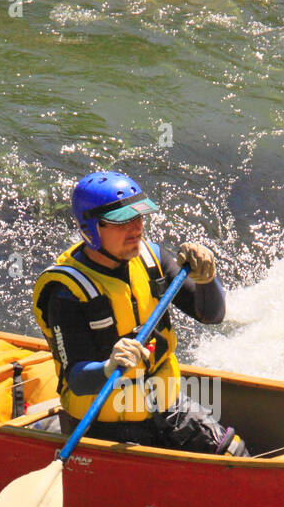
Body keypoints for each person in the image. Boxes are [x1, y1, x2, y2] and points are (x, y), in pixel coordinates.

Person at [31, 170, 248, 456]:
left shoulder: (153, 260)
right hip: (105, 424)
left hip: (168, 407)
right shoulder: (66, 292)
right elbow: (77, 379)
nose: (136, 229)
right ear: (92, 229)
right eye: (122, 222)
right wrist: (108, 367)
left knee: (235, 452)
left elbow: (212, 316)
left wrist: (208, 280)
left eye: (139, 217)